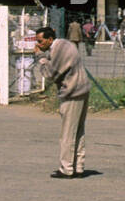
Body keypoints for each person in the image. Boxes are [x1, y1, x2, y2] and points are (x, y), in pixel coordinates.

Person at [34, 25, 90, 178]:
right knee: (78, 131)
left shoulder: (59, 50)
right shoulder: (66, 44)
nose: (38, 44)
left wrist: (41, 58)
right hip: (82, 89)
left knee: (67, 133)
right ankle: (78, 166)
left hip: (72, 92)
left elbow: (50, 73)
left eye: (40, 41)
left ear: (50, 39)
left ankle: (66, 168)